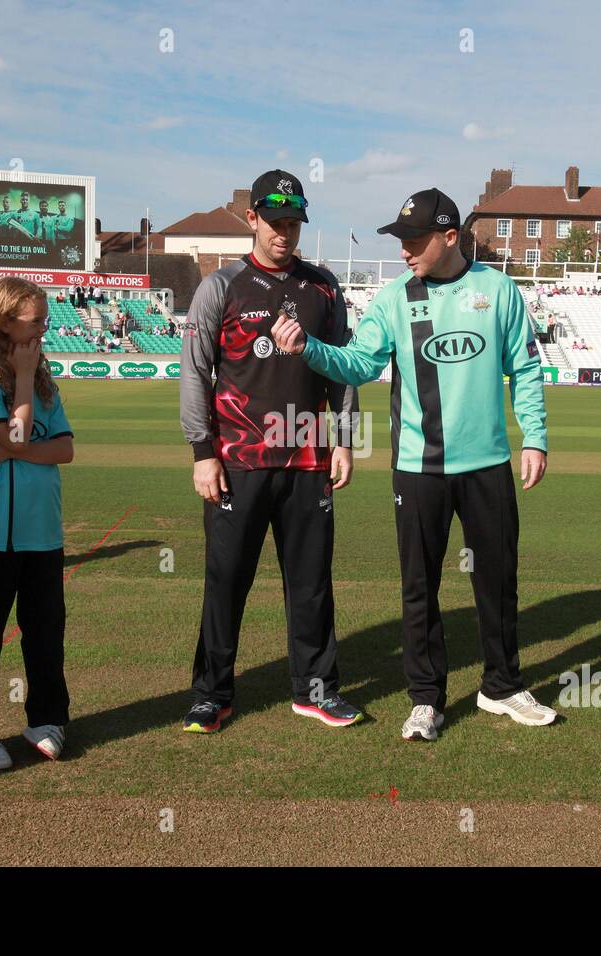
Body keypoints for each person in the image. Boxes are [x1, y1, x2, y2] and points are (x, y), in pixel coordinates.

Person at [272, 187, 555, 742]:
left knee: (497, 581)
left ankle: (501, 685)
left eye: (413, 239)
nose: (403, 250)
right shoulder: (395, 298)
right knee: (419, 586)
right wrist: (308, 347)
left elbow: (523, 367)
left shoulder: (497, 290)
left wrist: (535, 437)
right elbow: (357, 364)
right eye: (399, 239)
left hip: (488, 465)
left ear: (450, 237)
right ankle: (426, 699)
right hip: (417, 468)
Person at [179, 168, 363, 734]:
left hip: (308, 460)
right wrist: (201, 451)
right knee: (226, 581)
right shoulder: (221, 286)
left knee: (310, 583)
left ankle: (316, 691)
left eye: (293, 222)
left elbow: (344, 368)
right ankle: (212, 694)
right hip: (238, 462)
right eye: (274, 221)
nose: (284, 232)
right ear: (252, 218)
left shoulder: (324, 286)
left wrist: (347, 439)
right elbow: (195, 372)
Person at [0, 277, 74, 770]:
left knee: (45, 631)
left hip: (42, 530)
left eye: (45, 320)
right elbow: (23, 434)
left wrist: (7, 448)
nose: (44, 329)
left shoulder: (45, 382)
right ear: (5, 321)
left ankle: (47, 719)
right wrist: (22, 381)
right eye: (35, 321)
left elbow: (63, 449)